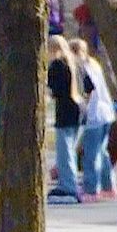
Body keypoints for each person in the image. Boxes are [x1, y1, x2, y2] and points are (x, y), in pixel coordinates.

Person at [70, 38, 117, 200]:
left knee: (91, 154)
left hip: (94, 115)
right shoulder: (94, 64)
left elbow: (89, 91)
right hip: (106, 112)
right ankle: (108, 185)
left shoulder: (82, 67)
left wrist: (82, 107)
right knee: (102, 152)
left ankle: (91, 189)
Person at [45, 35, 84, 205]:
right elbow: (87, 85)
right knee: (70, 149)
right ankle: (70, 182)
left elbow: (54, 89)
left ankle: (68, 185)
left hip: (65, 111)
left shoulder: (57, 65)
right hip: (77, 109)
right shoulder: (75, 63)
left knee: (64, 151)